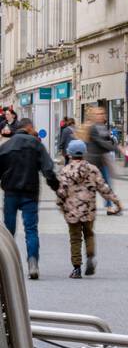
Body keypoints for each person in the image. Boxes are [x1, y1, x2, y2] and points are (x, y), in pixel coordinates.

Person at [0, 117, 60, 278]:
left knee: (9, 230)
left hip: (11, 192)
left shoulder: (6, 146)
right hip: (30, 193)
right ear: (29, 127)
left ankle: (5, 266)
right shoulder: (36, 145)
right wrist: (56, 187)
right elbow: (48, 169)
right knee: (31, 229)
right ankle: (33, 263)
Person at [56, 138, 123, 278]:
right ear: (85, 153)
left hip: (72, 211)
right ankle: (90, 257)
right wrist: (116, 201)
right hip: (88, 210)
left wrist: (61, 205)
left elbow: (61, 192)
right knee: (89, 234)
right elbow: (103, 188)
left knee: (75, 238)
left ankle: (76, 269)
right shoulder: (92, 169)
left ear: (69, 153)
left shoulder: (65, 171)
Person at [80, 106, 121, 214]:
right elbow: (101, 142)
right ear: (94, 116)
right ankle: (86, 206)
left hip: (102, 161)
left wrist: (116, 145)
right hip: (92, 162)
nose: (101, 115)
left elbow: (108, 140)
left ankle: (109, 207)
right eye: (98, 114)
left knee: (107, 184)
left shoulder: (103, 127)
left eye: (102, 113)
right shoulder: (92, 128)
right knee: (89, 186)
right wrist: (117, 148)